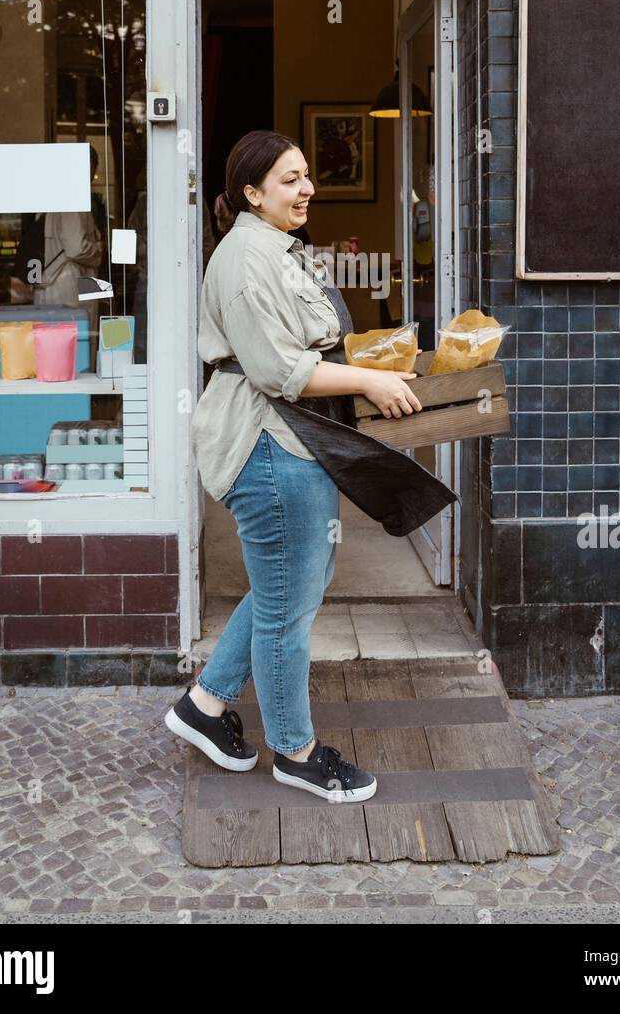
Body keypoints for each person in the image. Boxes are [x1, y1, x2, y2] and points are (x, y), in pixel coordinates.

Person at [164, 129, 456, 803]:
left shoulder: (277, 248)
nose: (306, 190)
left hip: (295, 440)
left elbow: (313, 339)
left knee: (291, 585)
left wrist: (371, 366)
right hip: (270, 444)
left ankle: (203, 705)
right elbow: (276, 370)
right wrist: (370, 382)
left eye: (306, 177)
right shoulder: (243, 259)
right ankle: (295, 752)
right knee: (289, 608)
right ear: (251, 192)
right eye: (290, 180)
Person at [33, 145, 103, 308]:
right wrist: (99, 251)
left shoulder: (48, 195)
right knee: (78, 330)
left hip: (50, 279)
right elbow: (77, 248)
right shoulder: (73, 197)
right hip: (70, 281)